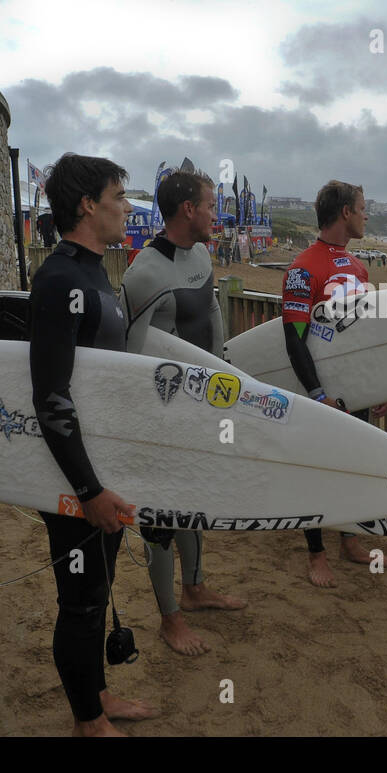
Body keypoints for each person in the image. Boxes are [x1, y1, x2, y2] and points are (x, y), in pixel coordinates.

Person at [28, 153, 158, 737]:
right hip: (73, 475)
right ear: (87, 205)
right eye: (118, 198)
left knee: (99, 585)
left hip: (102, 464)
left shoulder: (93, 273)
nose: (126, 209)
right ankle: (87, 721)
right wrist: (89, 490)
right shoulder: (59, 280)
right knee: (80, 599)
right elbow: (51, 397)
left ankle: (98, 697)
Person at [121, 170, 246, 656]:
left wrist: (225, 382)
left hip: (201, 407)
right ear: (188, 210)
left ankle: (194, 590)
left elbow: (212, 319)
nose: (217, 214)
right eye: (211, 206)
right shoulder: (144, 272)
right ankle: (169, 619)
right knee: (159, 517)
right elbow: (129, 356)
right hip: (160, 413)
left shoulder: (200, 255)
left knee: (194, 500)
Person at [281, 180, 387, 587]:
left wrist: (376, 387)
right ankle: (316, 554)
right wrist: (317, 395)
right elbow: (293, 341)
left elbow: (363, 338)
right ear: (345, 212)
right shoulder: (302, 269)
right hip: (319, 393)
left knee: (353, 466)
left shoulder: (359, 268)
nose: (366, 215)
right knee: (317, 470)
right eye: (363, 208)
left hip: (355, 389)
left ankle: (348, 540)